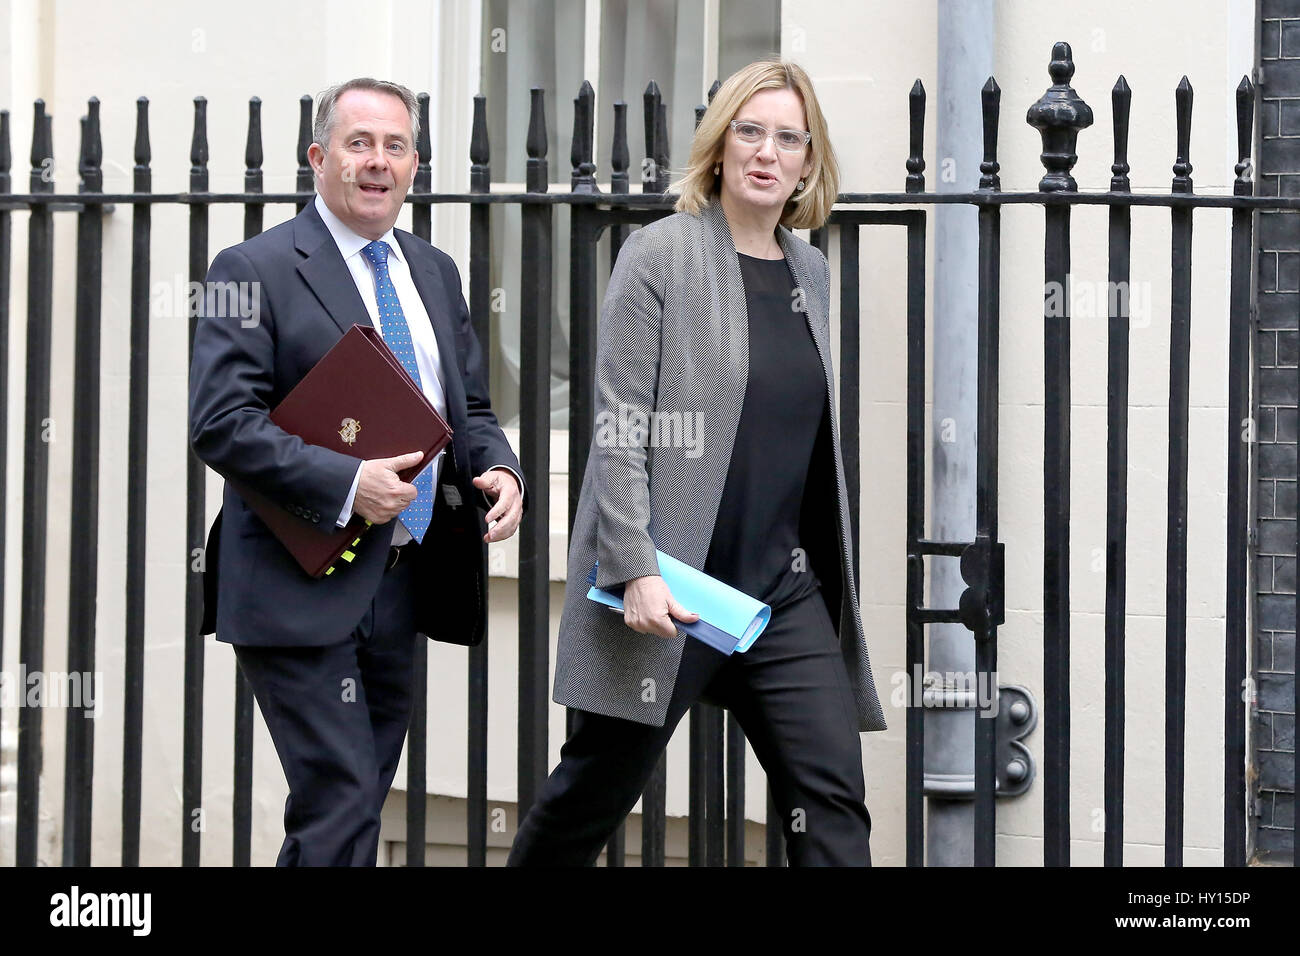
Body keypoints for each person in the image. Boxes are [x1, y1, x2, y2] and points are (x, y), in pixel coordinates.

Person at [508, 58, 886, 867]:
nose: (767, 152)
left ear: (808, 161)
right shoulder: (659, 255)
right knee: (592, 793)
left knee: (832, 802)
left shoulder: (810, 271)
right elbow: (618, 427)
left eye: (789, 138)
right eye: (750, 131)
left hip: (780, 594)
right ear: (719, 146)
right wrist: (634, 566)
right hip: (674, 584)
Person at [189, 77, 525, 866]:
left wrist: (501, 468)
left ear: (414, 166)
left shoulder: (434, 271)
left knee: (351, 810)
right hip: (295, 581)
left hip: (403, 578)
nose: (378, 161)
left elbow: (468, 408)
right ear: (319, 158)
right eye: (359, 143)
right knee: (340, 801)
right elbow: (222, 423)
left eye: (395, 146)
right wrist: (348, 483)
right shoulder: (252, 267)